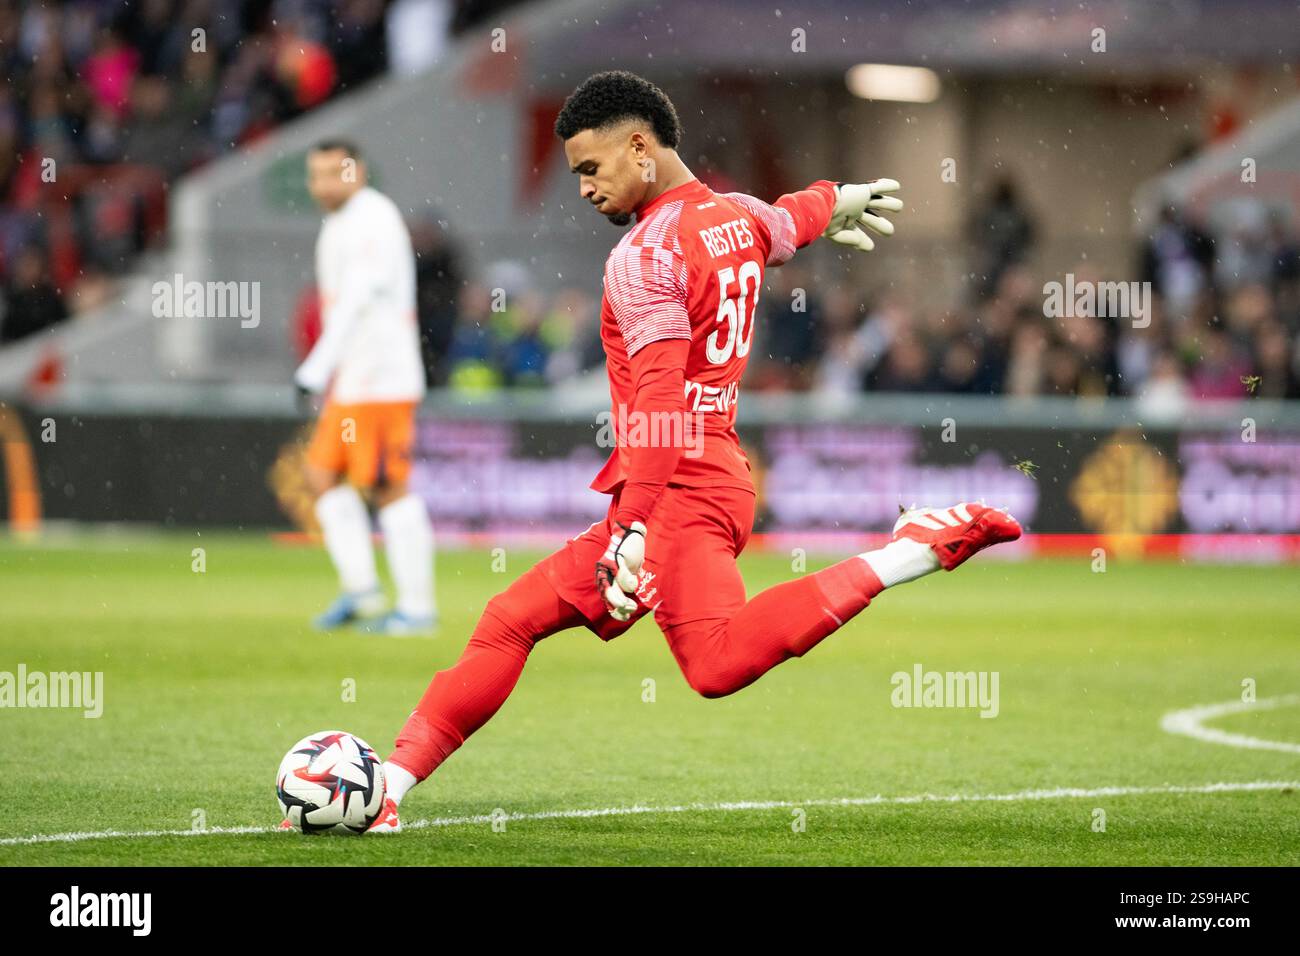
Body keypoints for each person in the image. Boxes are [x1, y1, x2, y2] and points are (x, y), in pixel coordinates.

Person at [362, 72, 1020, 833]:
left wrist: (634, 525)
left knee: (712, 663)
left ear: (639, 146)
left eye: (590, 167)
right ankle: (392, 787)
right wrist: (833, 198)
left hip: (676, 484)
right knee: (512, 617)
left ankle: (913, 550)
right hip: (706, 474)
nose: (582, 188)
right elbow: (784, 223)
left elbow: (661, 402)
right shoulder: (730, 215)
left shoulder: (643, 258)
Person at [295, 139, 437, 636]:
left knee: (388, 486)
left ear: (359, 173)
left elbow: (358, 298)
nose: (324, 184)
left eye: (336, 172)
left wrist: (316, 366)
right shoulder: (342, 222)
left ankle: (417, 610)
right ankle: (363, 591)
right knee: (321, 475)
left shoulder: (372, 217)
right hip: (354, 380)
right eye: (316, 175)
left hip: (381, 376)